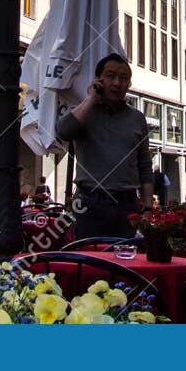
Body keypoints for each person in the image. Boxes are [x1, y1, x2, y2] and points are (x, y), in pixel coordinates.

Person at [56, 54, 154, 238]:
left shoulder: (137, 119)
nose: (117, 83)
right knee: (89, 259)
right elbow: (63, 131)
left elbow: (145, 166)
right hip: (89, 202)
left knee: (125, 259)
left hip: (128, 205)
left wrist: (148, 208)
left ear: (129, 84)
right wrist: (91, 99)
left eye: (123, 78)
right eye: (110, 76)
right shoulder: (84, 112)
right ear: (98, 80)